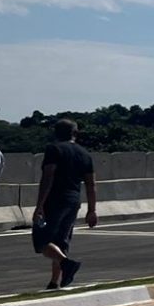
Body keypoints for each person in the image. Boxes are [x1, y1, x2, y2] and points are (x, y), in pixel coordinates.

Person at [31, 120, 96, 290]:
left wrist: (40, 205)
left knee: (42, 241)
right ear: (75, 133)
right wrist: (92, 210)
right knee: (61, 241)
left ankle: (67, 264)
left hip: (55, 199)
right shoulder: (84, 154)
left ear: (56, 133)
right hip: (74, 200)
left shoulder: (54, 149)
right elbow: (90, 184)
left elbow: (48, 176)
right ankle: (55, 282)